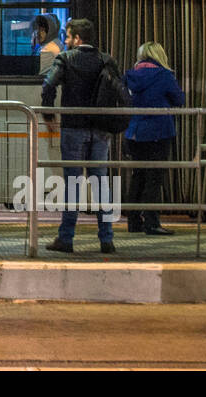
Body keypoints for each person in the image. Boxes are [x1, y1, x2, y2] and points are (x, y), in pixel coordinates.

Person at [41, 18, 118, 254]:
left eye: (68, 37)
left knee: (73, 183)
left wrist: (49, 114)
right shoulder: (106, 60)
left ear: (77, 39)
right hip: (101, 129)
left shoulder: (66, 59)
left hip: (73, 127)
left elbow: (48, 85)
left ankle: (66, 238)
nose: (65, 41)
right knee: (100, 182)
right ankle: (106, 239)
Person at [122, 41, 185, 236]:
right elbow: (179, 100)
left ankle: (133, 222)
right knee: (154, 178)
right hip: (158, 133)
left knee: (138, 176)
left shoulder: (129, 76)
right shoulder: (164, 75)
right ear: (160, 56)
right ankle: (151, 222)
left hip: (133, 133)